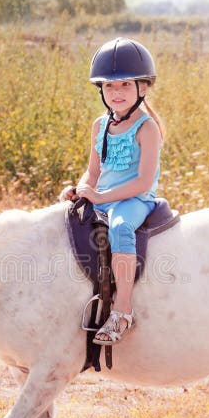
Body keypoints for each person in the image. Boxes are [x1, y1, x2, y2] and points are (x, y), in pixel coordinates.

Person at [60, 37, 164, 344]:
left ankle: (122, 310)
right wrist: (81, 189)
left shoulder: (147, 128)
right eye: (109, 86)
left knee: (120, 228)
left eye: (125, 86)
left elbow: (143, 182)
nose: (116, 93)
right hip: (103, 195)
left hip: (133, 199)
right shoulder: (100, 125)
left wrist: (102, 198)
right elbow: (93, 171)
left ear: (142, 88)